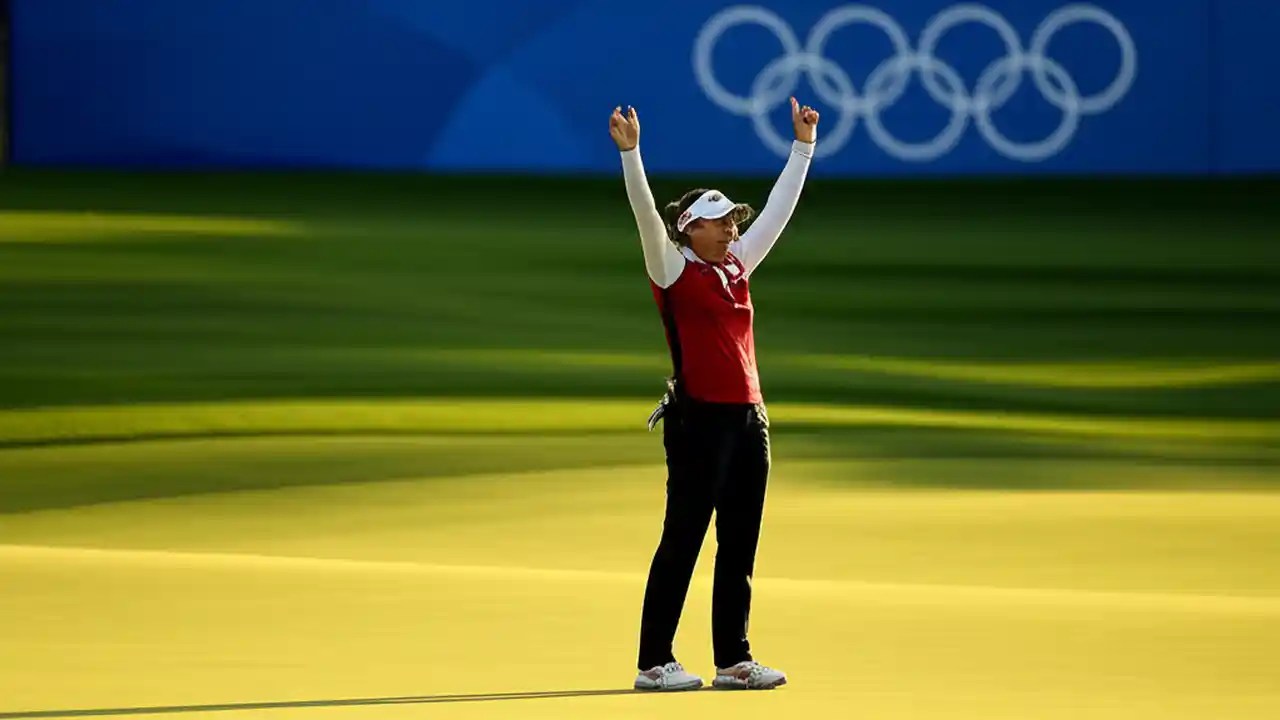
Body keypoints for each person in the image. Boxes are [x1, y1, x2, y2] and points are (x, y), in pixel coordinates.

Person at [608, 97, 819, 691]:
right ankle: (654, 662)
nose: (731, 229)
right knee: (683, 538)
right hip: (698, 419)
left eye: (732, 222)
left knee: (740, 542)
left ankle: (734, 658)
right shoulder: (671, 269)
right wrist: (632, 154)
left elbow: (777, 213)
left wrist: (803, 147)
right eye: (718, 221)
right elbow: (646, 214)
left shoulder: (737, 266)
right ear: (688, 230)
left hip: (750, 419)